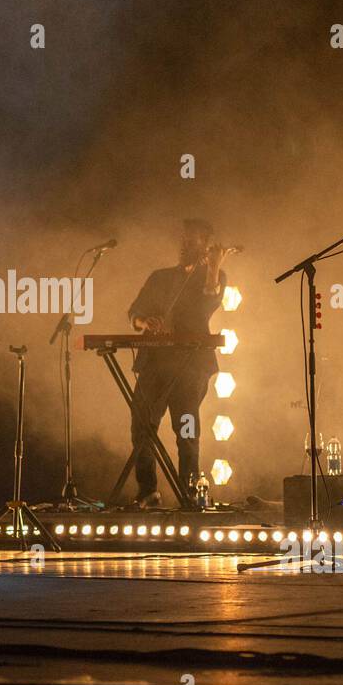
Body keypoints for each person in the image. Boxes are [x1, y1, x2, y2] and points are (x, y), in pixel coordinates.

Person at [123, 218, 230, 510]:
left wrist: (214, 265)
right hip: (154, 364)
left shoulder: (214, 275)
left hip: (190, 366)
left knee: (186, 429)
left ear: (205, 246)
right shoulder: (159, 277)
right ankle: (148, 490)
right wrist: (146, 322)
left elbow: (210, 299)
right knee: (141, 425)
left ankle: (189, 492)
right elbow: (134, 311)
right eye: (184, 240)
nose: (186, 245)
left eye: (194, 241)